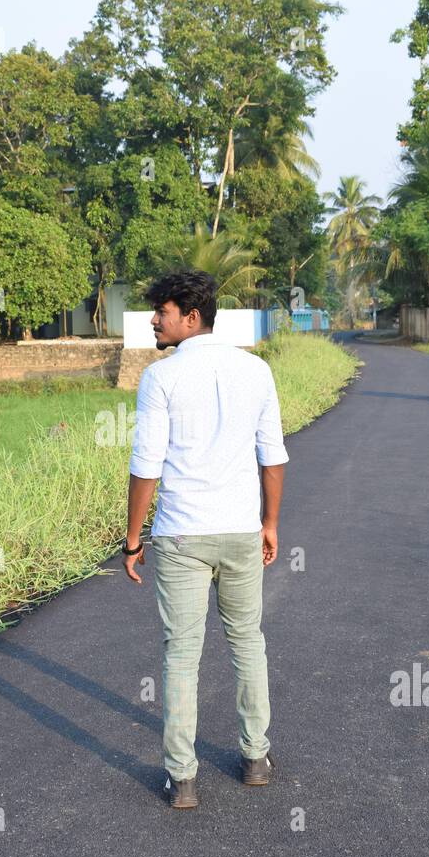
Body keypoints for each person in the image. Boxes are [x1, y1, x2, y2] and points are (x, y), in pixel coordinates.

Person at [122, 270, 288, 810]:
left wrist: (132, 539)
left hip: (182, 535)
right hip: (241, 529)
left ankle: (183, 779)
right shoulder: (256, 370)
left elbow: (145, 466)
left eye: (162, 312)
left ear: (190, 318)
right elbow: (273, 457)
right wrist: (270, 524)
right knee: (248, 642)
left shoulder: (161, 377)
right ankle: (256, 759)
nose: (153, 320)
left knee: (181, 656)